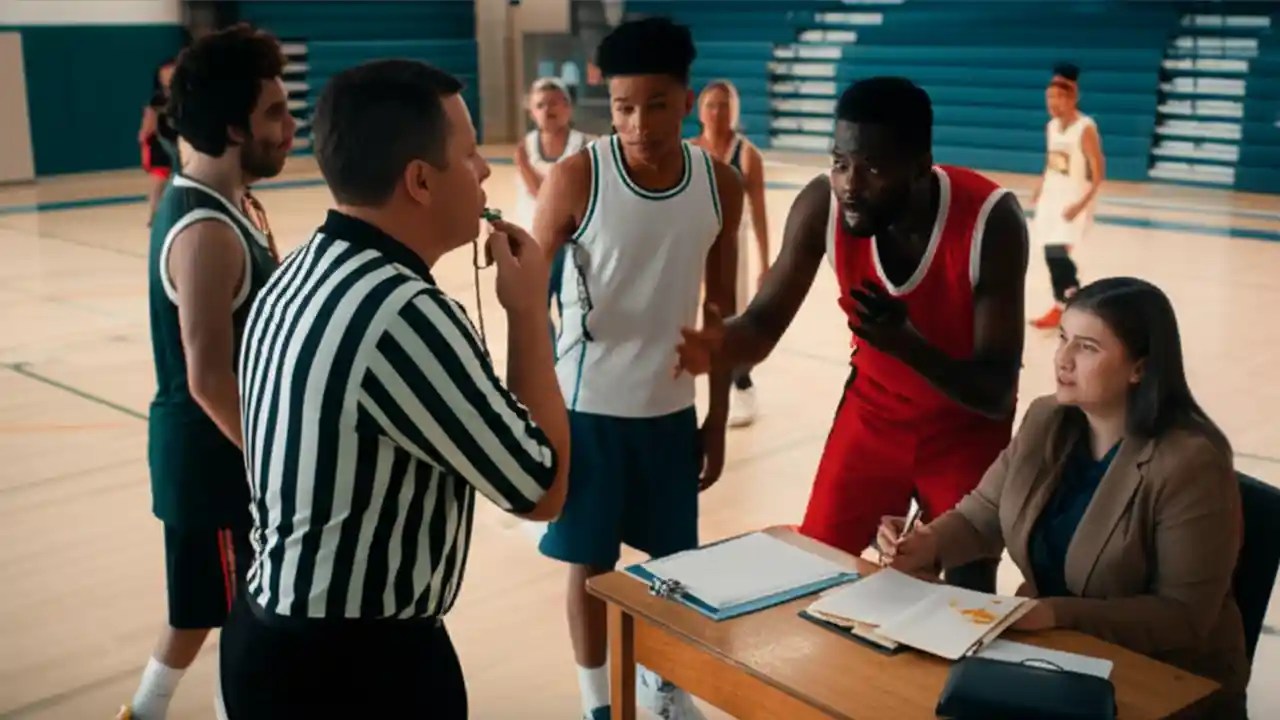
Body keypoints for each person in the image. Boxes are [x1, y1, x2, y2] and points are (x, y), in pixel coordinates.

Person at [218, 59, 570, 718]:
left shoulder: (295, 273)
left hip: (266, 635)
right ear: (419, 180)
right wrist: (528, 315)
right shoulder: (403, 313)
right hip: (354, 675)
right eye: (469, 156)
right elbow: (539, 487)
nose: (485, 171)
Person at [675, 77, 1028, 592]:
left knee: (967, 589)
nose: (850, 184)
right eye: (840, 162)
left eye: (873, 168)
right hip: (874, 418)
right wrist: (716, 343)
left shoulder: (991, 221)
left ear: (920, 163)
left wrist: (906, 344)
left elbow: (995, 393)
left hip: (965, 429)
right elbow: (761, 325)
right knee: (815, 565)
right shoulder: (822, 206)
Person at [879, 277, 1248, 718]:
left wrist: (1057, 613)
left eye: (1088, 347)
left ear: (1140, 369)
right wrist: (929, 543)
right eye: (1063, 338)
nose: (1063, 359)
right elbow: (984, 515)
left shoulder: (1190, 463)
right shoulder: (1047, 419)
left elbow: (1184, 616)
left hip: (1166, 684)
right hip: (1050, 657)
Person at [533, 17, 743, 720]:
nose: (638, 122)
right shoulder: (575, 178)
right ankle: (597, 701)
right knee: (589, 568)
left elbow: (721, 314)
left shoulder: (721, 185)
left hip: (670, 413)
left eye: (655, 104)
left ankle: (663, 684)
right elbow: (528, 299)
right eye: (623, 106)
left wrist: (715, 418)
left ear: (686, 101)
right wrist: (532, 414)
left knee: (672, 574)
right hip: (587, 412)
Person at [119, 24, 293, 720]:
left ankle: (146, 710)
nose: (289, 127)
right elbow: (209, 379)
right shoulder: (206, 231)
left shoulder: (238, 204)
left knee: (211, 610)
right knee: (234, 616)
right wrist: (276, 459)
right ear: (231, 126)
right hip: (214, 458)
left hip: (224, 458)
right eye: (274, 114)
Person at [690, 80, 771, 427]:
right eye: (711, 105)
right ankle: (702, 394)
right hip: (693, 246)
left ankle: (743, 385)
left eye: (724, 105)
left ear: (734, 111)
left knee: (731, 320)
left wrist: (765, 262)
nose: (717, 112)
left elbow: (761, 212)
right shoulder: (689, 150)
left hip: (732, 245)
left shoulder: (747, 154)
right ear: (700, 111)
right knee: (697, 320)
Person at [1028, 63, 1106, 329]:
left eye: (1059, 97)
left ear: (1072, 96)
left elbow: (1098, 172)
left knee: (1056, 252)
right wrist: (1040, 187)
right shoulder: (1051, 127)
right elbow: (1051, 162)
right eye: (1049, 97)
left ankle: (1071, 303)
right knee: (1051, 252)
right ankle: (1064, 304)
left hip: (1072, 199)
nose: (1053, 103)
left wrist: (1082, 204)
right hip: (1052, 196)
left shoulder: (1085, 127)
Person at [514, 76, 592, 319]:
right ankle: (545, 357)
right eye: (540, 105)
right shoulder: (523, 148)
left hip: (574, 242)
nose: (547, 109)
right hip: (535, 240)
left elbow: (556, 195)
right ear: (532, 113)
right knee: (537, 310)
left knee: (574, 310)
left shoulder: (585, 145)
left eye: (554, 103)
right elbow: (544, 197)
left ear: (568, 107)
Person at [139, 59, 179, 225]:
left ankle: (172, 211)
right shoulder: (157, 100)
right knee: (160, 181)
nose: (169, 77)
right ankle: (155, 214)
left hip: (178, 142)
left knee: (177, 180)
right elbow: (148, 125)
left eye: (173, 73)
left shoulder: (184, 97)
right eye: (165, 74)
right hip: (161, 144)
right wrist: (145, 138)